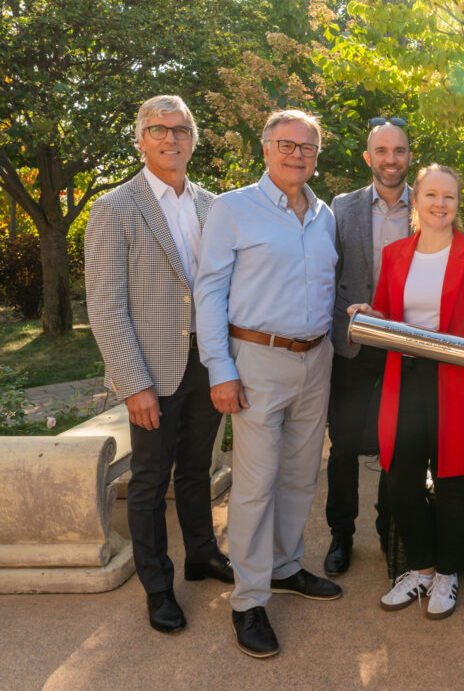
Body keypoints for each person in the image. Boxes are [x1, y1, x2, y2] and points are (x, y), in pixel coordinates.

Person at [347, 164, 464, 620]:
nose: (440, 204)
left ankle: (447, 574)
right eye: (431, 195)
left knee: (452, 483)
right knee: (401, 481)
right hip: (405, 378)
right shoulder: (394, 254)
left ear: (458, 203)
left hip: (459, 380)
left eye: (449, 197)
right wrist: (370, 313)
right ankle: (421, 568)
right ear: (416, 200)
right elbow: (389, 313)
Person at [195, 110, 341, 659]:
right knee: (255, 483)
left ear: (316, 155)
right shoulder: (232, 209)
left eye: (307, 147)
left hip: (315, 358)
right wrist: (221, 369)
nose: (297, 154)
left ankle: (284, 567)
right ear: (265, 148)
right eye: (286, 144)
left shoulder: (324, 215)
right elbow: (208, 291)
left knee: (302, 474)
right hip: (256, 360)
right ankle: (249, 600)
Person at [84, 95, 233, 634]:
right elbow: (105, 306)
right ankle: (158, 587)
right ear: (141, 138)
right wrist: (134, 384)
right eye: (159, 129)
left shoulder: (213, 206)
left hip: (208, 361)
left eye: (181, 129)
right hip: (153, 369)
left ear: (193, 139)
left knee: (197, 469)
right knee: (149, 482)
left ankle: (202, 555)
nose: (171, 139)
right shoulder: (114, 208)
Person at [324, 117, 412, 576]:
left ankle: (389, 531)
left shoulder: (430, 205)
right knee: (342, 448)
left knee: (397, 445)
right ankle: (341, 534)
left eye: (398, 151)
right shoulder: (342, 207)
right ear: (368, 157)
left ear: (409, 156)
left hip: (408, 344)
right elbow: (326, 275)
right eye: (382, 151)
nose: (390, 160)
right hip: (353, 343)